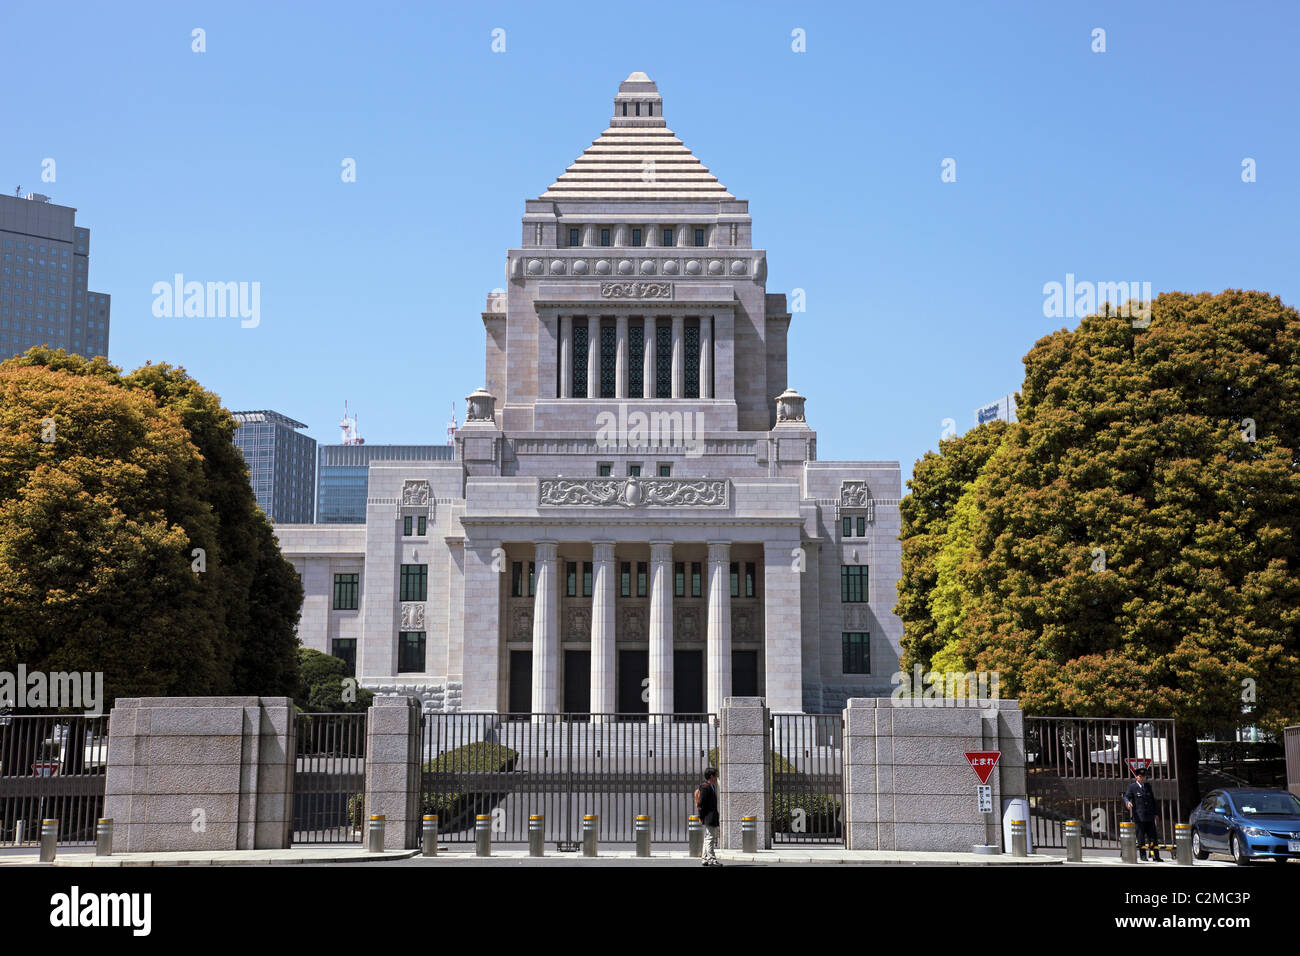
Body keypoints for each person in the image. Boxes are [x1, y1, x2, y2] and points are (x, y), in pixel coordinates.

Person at [1124, 766, 1162, 862]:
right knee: (1141, 838)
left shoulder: (1148, 786)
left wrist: (1156, 813)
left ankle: (1155, 855)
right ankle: (1143, 855)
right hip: (1139, 818)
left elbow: (1152, 801)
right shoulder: (1132, 787)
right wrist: (1127, 802)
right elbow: (1126, 796)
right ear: (1136, 777)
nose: (1142, 778)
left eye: (1144, 776)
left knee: (1153, 837)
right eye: (1140, 776)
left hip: (1149, 816)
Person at [694, 767, 721, 867]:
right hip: (709, 816)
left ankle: (705, 858)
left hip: (711, 816)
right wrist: (701, 816)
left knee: (707, 837)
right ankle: (711, 860)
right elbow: (701, 804)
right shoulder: (706, 787)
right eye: (715, 775)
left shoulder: (711, 786)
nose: (716, 777)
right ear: (711, 776)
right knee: (710, 838)